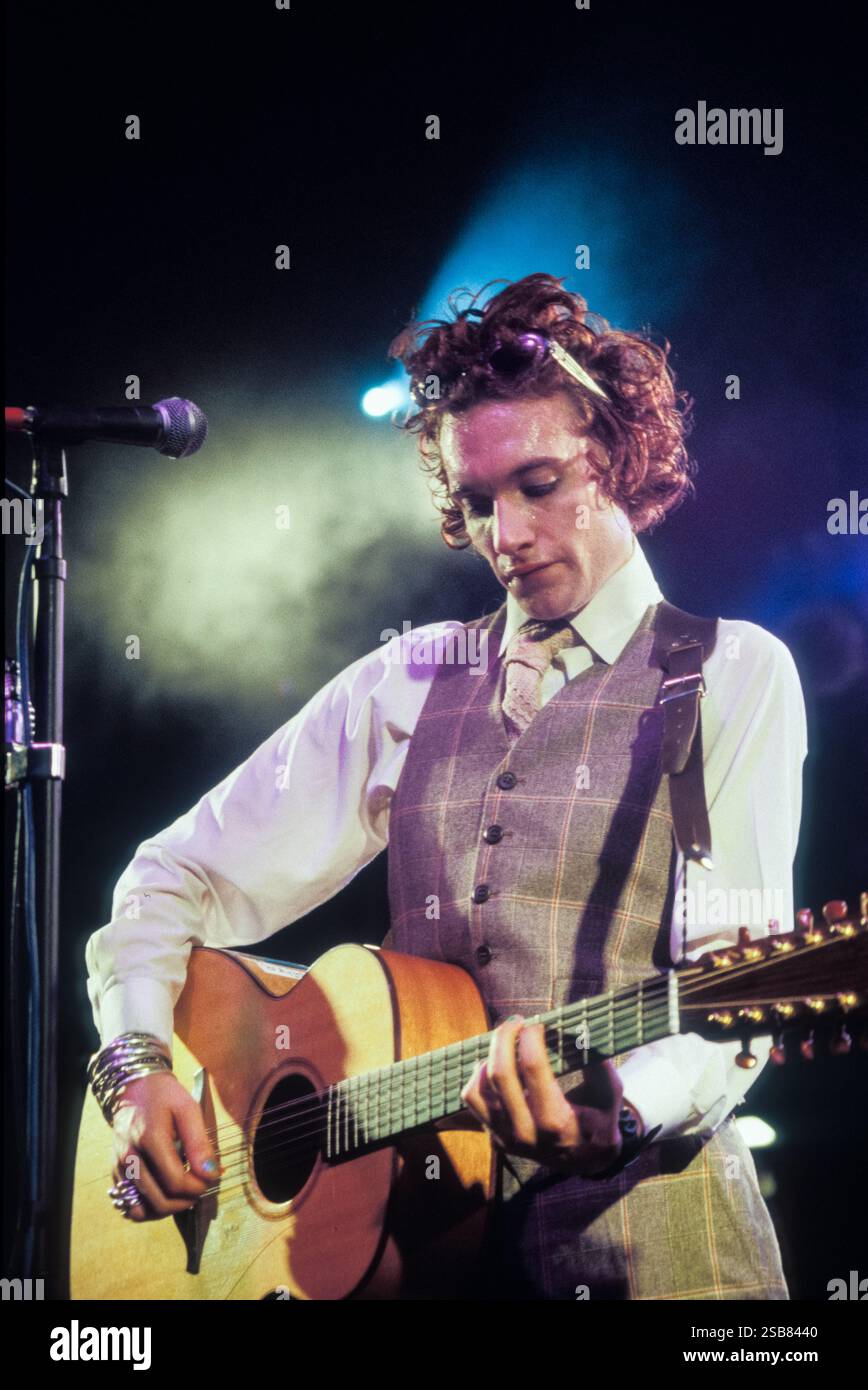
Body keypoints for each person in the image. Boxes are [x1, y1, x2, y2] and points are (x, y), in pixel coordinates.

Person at [85, 273, 807, 1299]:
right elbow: (166, 880)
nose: (503, 538)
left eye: (537, 483)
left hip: (667, 1261)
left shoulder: (731, 673)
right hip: (423, 1268)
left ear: (613, 453)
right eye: (476, 504)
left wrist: (623, 1108)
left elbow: (740, 992)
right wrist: (138, 1066)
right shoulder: (408, 676)